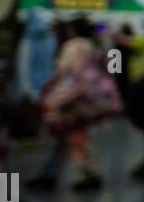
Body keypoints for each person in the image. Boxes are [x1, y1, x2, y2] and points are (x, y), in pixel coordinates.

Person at [30, 36, 122, 191]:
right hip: (81, 110)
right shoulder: (91, 54)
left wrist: (52, 103)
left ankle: (83, 175)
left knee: (76, 141)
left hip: (75, 111)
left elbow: (68, 82)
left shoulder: (76, 54)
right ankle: (83, 174)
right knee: (77, 141)